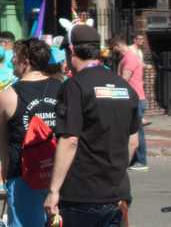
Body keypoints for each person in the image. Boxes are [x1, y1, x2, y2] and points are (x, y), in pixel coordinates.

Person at [45, 24, 141, 227]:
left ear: (71, 51)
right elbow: (133, 142)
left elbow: (70, 139)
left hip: (83, 194)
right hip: (117, 192)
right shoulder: (124, 87)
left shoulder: (74, 86)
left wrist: (54, 191)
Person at [0, 39, 65, 226]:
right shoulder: (63, 89)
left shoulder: (6, 96)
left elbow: (2, 141)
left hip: (23, 174)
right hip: (59, 171)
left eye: (14, 57)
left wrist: (5, 170)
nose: (11, 61)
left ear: (25, 62)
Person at [111, 37, 148, 171]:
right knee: (134, 130)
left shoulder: (129, 58)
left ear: (118, 45)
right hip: (135, 98)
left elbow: (124, 79)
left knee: (136, 131)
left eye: (113, 48)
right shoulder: (128, 57)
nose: (113, 51)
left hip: (135, 98)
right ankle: (136, 159)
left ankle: (141, 161)